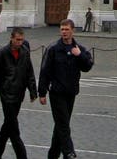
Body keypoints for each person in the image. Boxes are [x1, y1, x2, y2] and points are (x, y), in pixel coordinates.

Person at [38, 18, 93, 159]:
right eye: (62, 29)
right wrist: (42, 92)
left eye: (67, 29)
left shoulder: (79, 49)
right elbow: (45, 71)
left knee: (61, 125)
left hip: (71, 92)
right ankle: (69, 152)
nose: (64, 32)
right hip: (57, 92)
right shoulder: (53, 49)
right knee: (63, 123)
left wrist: (79, 55)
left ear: (72, 31)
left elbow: (87, 66)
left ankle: (53, 155)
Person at [0, 27, 37, 159]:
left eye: (22, 40)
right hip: (6, 94)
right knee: (14, 129)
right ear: (11, 38)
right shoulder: (2, 53)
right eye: (17, 40)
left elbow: (29, 73)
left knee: (7, 127)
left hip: (19, 94)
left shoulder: (25, 52)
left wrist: (33, 91)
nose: (20, 42)